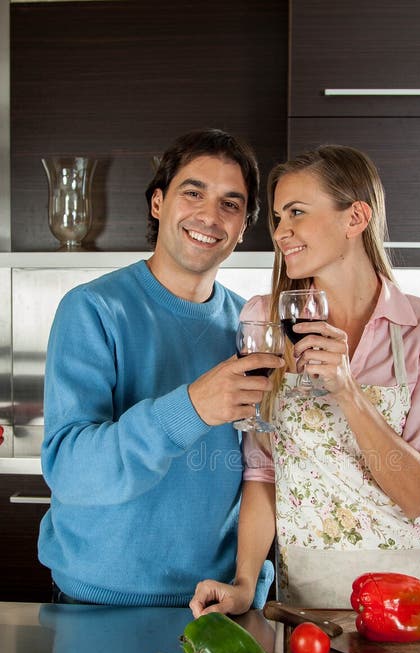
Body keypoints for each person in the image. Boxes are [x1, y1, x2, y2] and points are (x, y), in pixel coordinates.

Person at [190, 144, 420, 615]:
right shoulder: (263, 318)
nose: (282, 232)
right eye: (278, 217)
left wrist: (346, 389)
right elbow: (262, 471)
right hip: (314, 586)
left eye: (297, 213)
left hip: (417, 584)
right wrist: (243, 582)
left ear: (355, 217)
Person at [39, 128, 283, 606]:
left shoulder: (252, 325)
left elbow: (263, 469)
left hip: (213, 602)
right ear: (158, 203)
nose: (210, 216)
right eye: (193, 193)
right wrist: (190, 408)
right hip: (100, 601)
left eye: (231, 204)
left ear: (242, 227)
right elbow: (70, 469)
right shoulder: (92, 310)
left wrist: (248, 582)